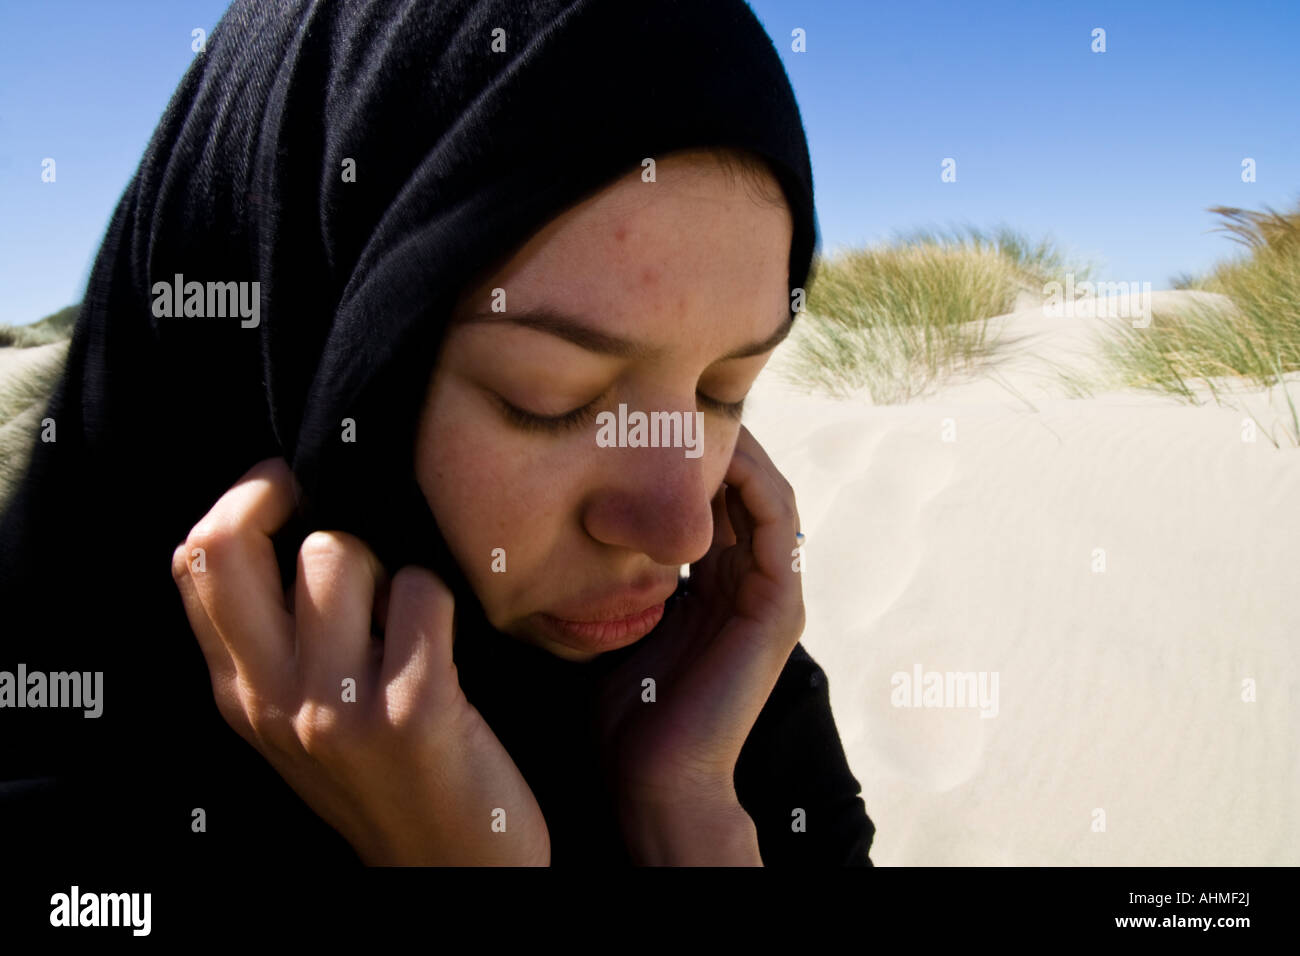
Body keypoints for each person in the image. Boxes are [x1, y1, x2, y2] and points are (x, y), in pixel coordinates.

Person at [0, 0, 874, 867]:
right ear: (300, 343)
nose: (685, 529)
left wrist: (689, 813)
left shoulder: (724, 693)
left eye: (728, 390)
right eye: (549, 398)